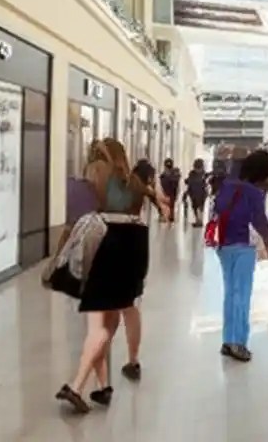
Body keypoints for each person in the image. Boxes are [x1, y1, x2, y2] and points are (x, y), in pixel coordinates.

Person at [57, 145, 165, 413]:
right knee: (123, 310)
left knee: (99, 323)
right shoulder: (135, 182)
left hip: (105, 243)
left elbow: (76, 220)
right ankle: (116, 375)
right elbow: (158, 201)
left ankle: (79, 385)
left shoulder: (95, 179)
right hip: (135, 245)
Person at [210, 150, 268, 362]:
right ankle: (238, 343)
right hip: (242, 246)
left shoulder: (227, 186)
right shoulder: (252, 192)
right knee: (242, 294)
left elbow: (216, 210)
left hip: (223, 245)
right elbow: (259, 220)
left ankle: (227, 340)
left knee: (231, 293)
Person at [184, 159, 210, 227]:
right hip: (193, 193)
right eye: (197, 168)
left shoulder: (204, 174)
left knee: (200, 207)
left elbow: (207, 184)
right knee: (195, 207)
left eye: (199, 168)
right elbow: (189, 182)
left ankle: (199, 221)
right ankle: (198, 220)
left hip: (201, 194)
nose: (198, 170)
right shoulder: (192, 173)